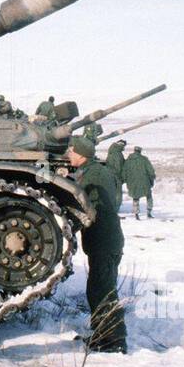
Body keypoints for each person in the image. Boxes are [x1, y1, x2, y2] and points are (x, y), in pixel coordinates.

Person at [67, 136, 127, 353]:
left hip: (104, 238)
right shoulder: (93, 171)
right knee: (99, 289)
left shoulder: (95, 175)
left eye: (71, 151)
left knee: (103, 290)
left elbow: (93, 206)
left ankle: (115, 340)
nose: (68, 154)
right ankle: (103, 335)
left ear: (81, 153)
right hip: (103, 237)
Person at [123, 145, 157, 219]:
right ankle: (149, 212)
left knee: (135, 198)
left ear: (134, 151)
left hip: (132, 182)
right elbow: (150, 170)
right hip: (144, 182)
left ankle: (136, 214)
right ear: (140, 151)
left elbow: (124, 172)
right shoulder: (144, 159)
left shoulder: (128, 160)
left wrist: (126, 180)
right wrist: (152, 177)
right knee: (149, 197)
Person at [103, 138, 127, 214]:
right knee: (118, 193)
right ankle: (115, 210)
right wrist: (121, 177)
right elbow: (118, 166)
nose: (124, 148)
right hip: (116, 176)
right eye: (124, 146)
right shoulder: (117, 153)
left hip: (110, 174)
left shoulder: (112, 151)